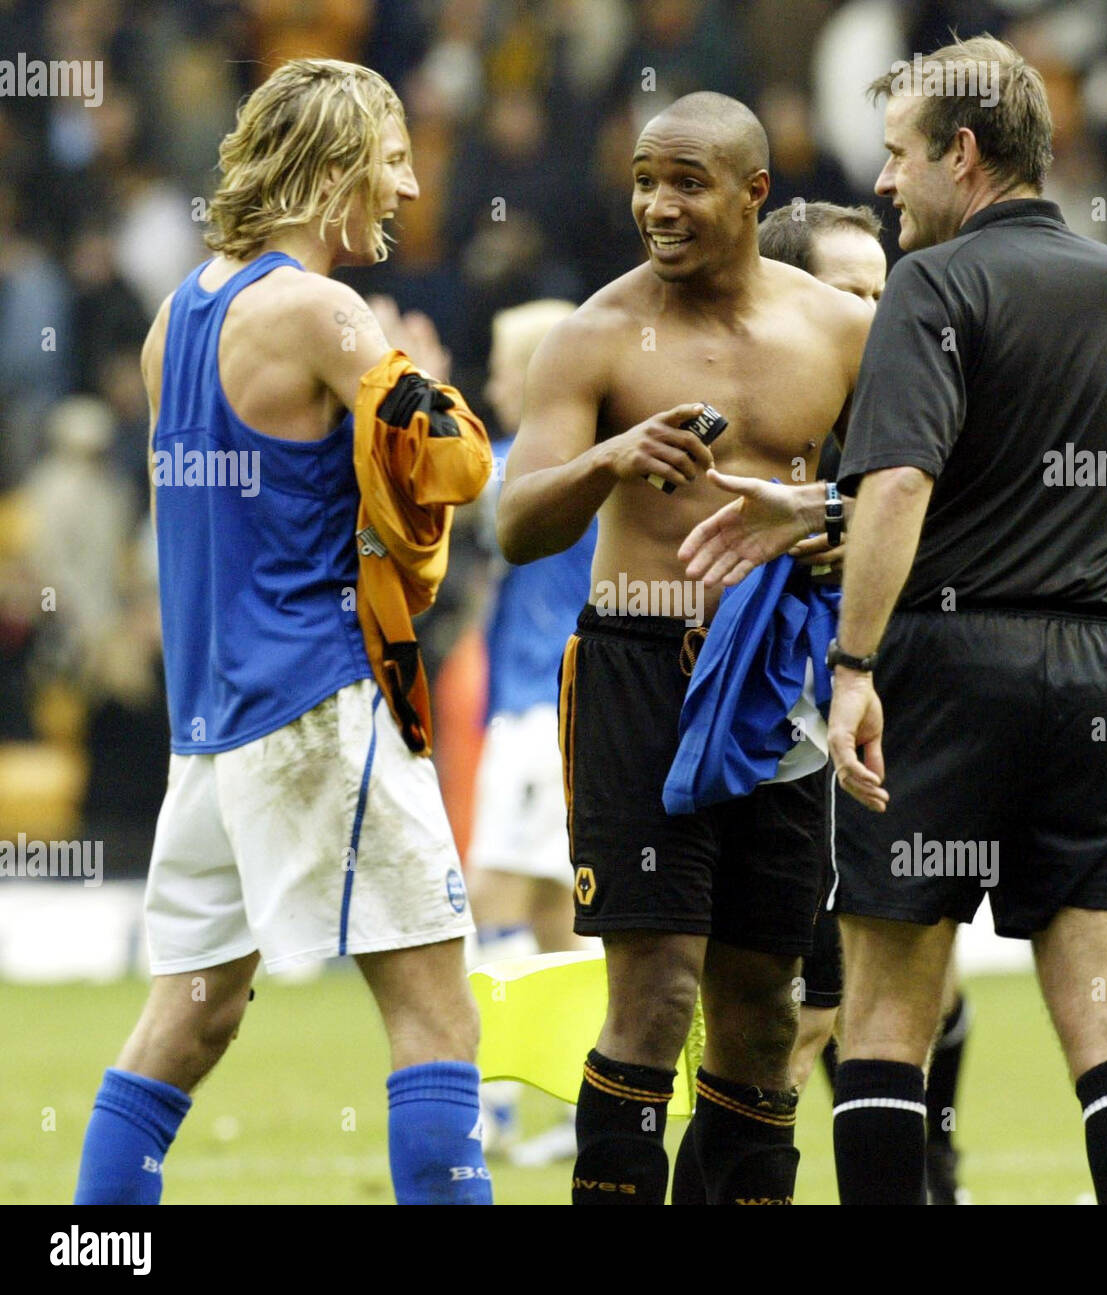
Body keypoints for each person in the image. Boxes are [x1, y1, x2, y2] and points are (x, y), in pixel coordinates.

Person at [680, 36, 1107, 1206]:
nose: (887, 181)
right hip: (1104, 675)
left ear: (963, 153)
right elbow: (1018, 475)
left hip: (949, 670)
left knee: (887, 1016)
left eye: (900, 155)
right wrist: (814, 504)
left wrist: (851, 664)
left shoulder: (934, 286)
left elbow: (906, 483)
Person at [74, 59, 494, 1206]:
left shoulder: (178, 318)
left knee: (182, 1025)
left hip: (210, 728)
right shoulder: (321, 309)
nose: (408, 187)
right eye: (392, 159)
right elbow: (459, 458)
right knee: (436, 1010)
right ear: (336, 169)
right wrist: (433, 384)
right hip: (316, 702)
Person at [496, 91, 872, 1205]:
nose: (658, 205)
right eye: (645, 180)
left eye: (687, 183)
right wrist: (608, 458)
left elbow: (907, 500)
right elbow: (517, 524)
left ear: (755, 194)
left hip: (776, 689)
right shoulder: (595, 335)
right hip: (636, 671)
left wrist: (826, 529)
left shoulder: (842, 331)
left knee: (764, 1009)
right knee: (655, 994)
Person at [756, 199, 972, 1205]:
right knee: (796, 1021)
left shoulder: (911, 421)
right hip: (783, 756)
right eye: (850, 293)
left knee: (919, 987)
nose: (874, 317)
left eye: (885, 294)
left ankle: (933, 1176)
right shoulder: (761, 422)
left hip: (899, 742)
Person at [468, 297, 596, 1165]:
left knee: (491, 899)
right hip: (578, 710)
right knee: (562, 923)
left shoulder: (523, 466)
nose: (489, 384)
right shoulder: (595, 468)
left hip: (532, 710)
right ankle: (594, 1107)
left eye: (501, 368)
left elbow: (453, 494)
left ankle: (497, 1105)